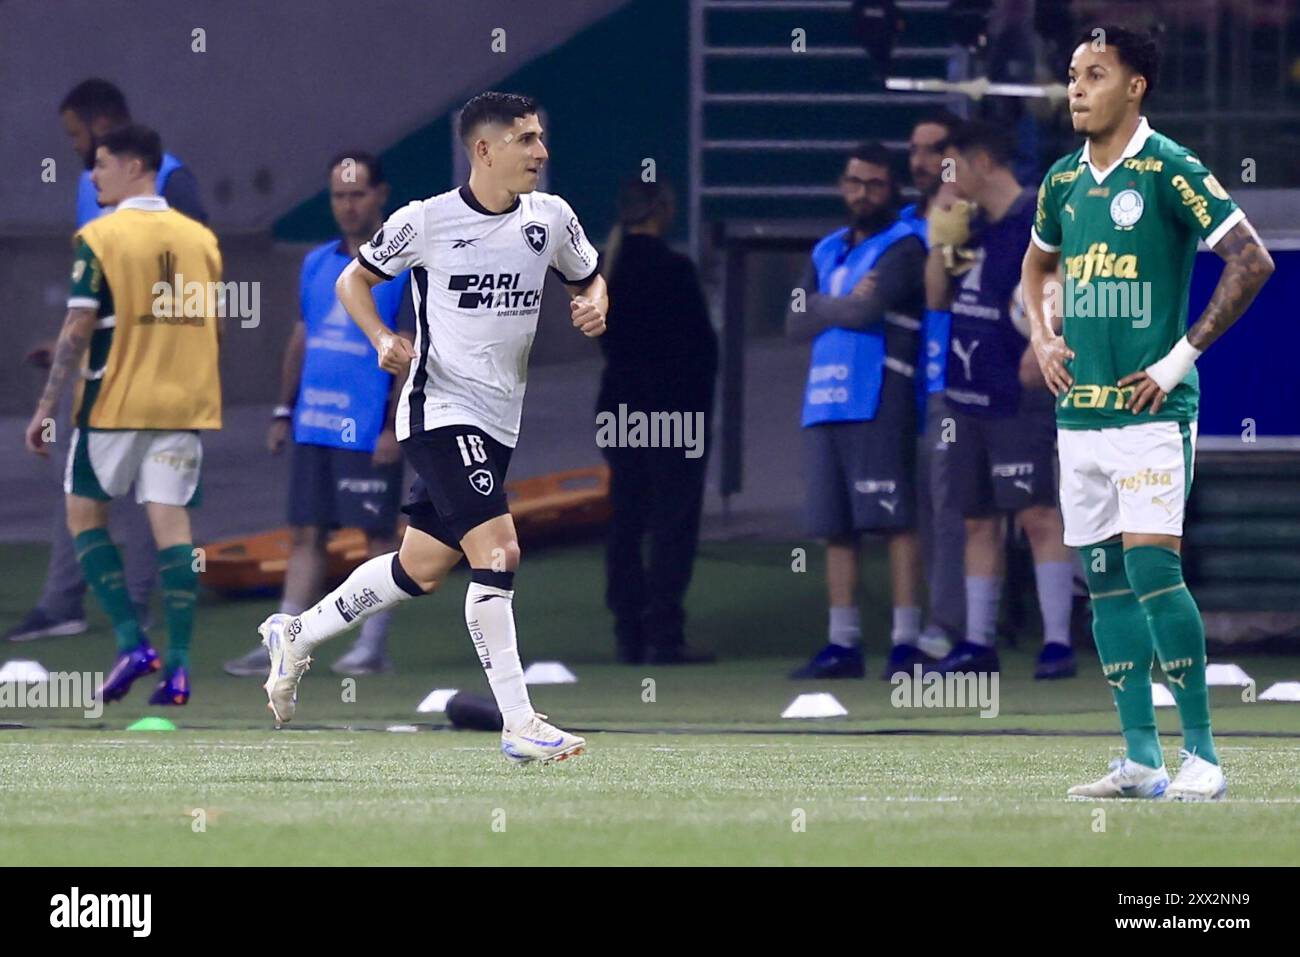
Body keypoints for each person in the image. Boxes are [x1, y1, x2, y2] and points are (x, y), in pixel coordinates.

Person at [256, 92, 606, 765]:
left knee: (420, 568)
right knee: (499, 550)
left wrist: (593, 305)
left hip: (500, 421)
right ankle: (520, 721)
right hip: (439, 411)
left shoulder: (551, 218)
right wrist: (382, 335)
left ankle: (297, 633)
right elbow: (352, 283)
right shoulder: (426, 222)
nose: (541, 151)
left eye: (541, 137)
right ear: (484, 150)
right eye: (527, 139)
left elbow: (589, 279)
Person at [1023, 26, 1273, 800]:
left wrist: (1177, 359)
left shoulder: (1170, 168)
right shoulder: (1062, 181)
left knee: (1152, 568)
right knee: (1102, 582)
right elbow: (1036, 266)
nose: (1076, 88)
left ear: (1135, 87)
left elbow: (1251, 260)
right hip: (1082, 416)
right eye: (1072, 74)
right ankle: (1140, 758)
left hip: (1152, 412)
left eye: (1095, 74)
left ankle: (1203, 754)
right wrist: (1044, 336)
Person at [23, 124, 223, 706]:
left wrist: (44, 406)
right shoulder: (201, 240)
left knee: (84, 516)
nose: (92, 175)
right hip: (182, 404)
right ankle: (180, 670)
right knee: (174, 531)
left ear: (136, 167)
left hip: (114, 404)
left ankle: (134, 643)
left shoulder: (102, 235)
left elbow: (79, 324)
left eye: (101, 163)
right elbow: (208, 323)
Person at [223, 153, 414, 677]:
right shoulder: (316, 263)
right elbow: (303, 336)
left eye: (357, 195)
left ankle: (372, 646)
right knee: (307, 534)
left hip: (369, 427)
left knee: (378, 538)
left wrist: (393, 426)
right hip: (315, 424)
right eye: (338, 196)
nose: (347, 206)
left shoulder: (402, 267)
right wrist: (284, 411)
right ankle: (284, 645)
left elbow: (409, 348)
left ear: (380, 195)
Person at [925, 120, 1077, 680]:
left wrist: (1047, 345)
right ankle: (977, 643)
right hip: (964, 393)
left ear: (982, 160)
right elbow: (936, 300)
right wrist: (940, 243)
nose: (948, 179)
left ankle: (1058, 643)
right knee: (976, 519)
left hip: (1016, 393)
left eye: (952, 166)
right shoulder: (972, 227)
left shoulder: (1036, 220)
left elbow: (1065, 290)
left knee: (1037, 513)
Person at [786, 142, 927, 680]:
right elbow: (794, 323)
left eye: (873, 184)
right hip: (823, 398)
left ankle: (905, 641)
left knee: (893, 521)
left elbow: (871, 309)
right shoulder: (826, 249)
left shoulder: (905, 244)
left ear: (891, 189)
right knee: (835, 527)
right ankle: (843, 643)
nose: (862, 193)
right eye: (854, 182)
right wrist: (835, 307)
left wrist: (825, 306)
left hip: (879, 395)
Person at [597, 178, 717, 665]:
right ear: (663, 210)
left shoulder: (609, 272)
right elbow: (701, 350)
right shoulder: (675, 269)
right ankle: (664, 631)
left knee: (626, 518)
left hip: (621, 410)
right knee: (672, 521)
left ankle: (628, 630)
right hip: (674, 414)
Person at [901, 108, 967, 656]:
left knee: (950, 506)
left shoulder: (973, 219)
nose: (921, 161)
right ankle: (929, 621)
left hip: (958, 375)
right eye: (915, 151)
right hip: (906, 385)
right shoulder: (901, 223)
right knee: (921, 507)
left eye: (934, 148)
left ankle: (948, 626)